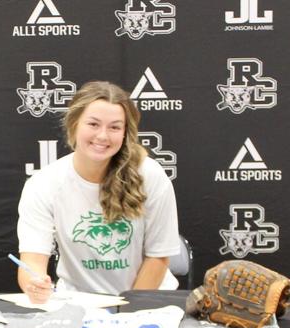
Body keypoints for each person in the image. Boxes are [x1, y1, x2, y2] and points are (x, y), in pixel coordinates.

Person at [16, 81, 182, 302]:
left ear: (125, 133)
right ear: (74, 124)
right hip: (79, 304)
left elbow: (158, 257)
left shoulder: (150, 175)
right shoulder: (43, 184)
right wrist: (35, 284)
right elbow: (32, 260)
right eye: (93, 124)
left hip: (147, 301)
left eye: (114, 127)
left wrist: (129, 309)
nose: (103, 136)